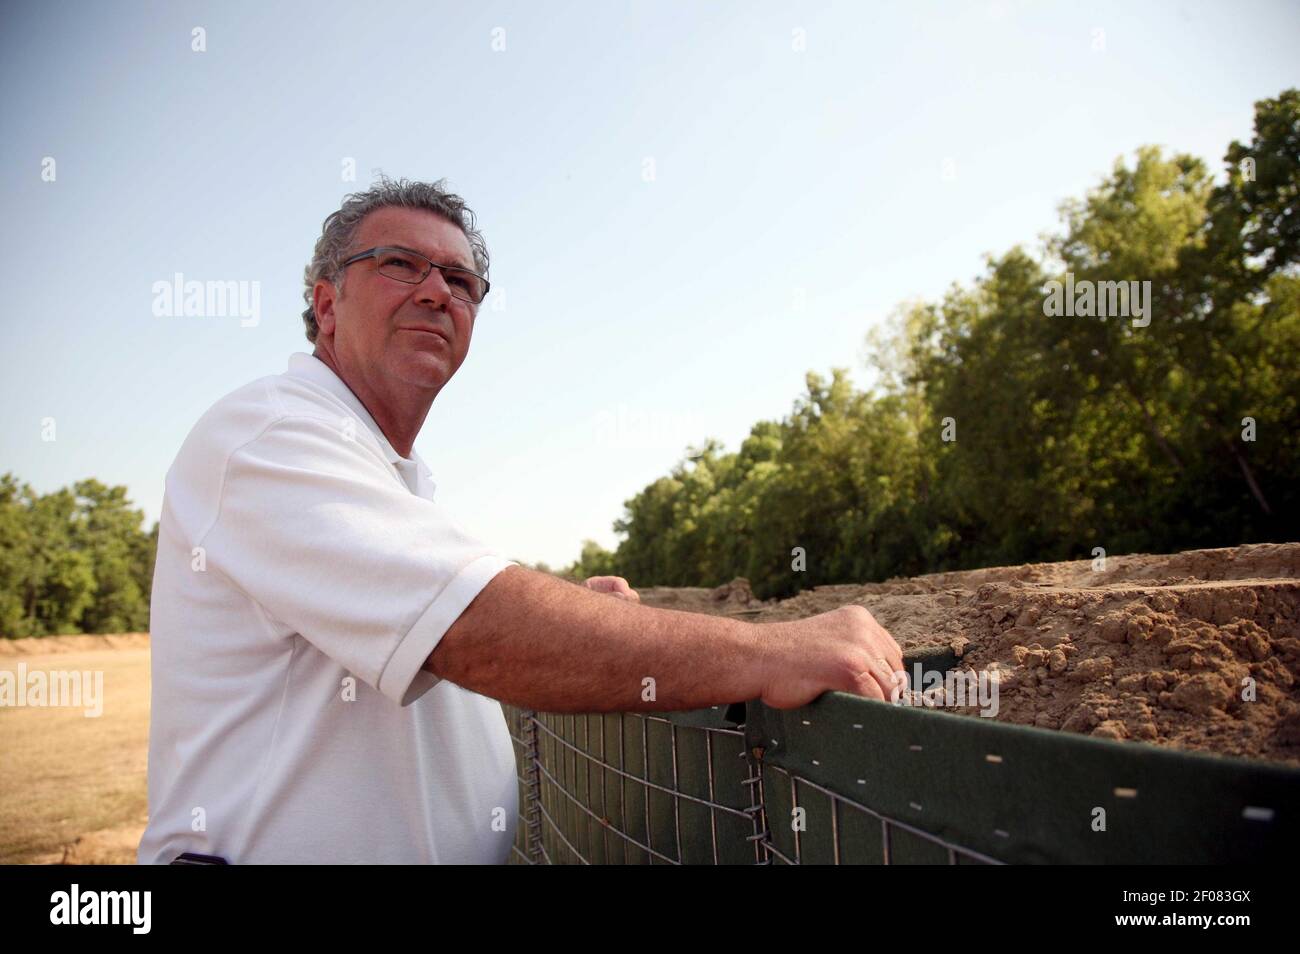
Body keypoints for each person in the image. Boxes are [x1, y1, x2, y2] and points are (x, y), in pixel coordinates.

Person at [138, 175, 903, 865]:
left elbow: (436, 637)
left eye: (462, 279)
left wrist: (572, 611)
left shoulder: (393, 475)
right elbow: (475, 628)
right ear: (326, 302)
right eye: (401, 263)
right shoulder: (270, 434)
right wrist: (775, 653)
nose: (438, 291)